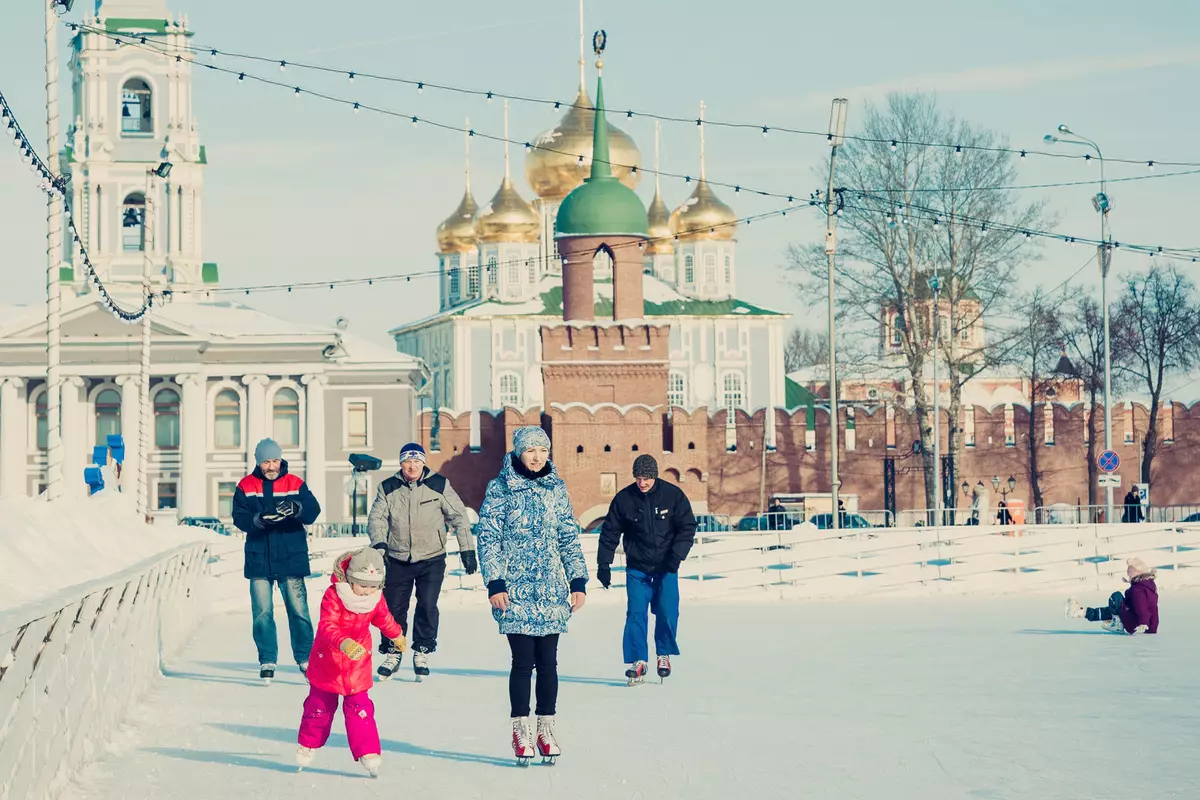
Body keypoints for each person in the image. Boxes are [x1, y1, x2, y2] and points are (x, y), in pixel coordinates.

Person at [476, 426, 588, 765]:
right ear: (518, 453)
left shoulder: (557, 488)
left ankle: (545, 728)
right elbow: (488, 538)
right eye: (531, 450)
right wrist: (495, 583)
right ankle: (520, 729)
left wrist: (578, 580)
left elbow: (568, 535)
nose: (537, 456)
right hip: (515, 590)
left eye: (543, 450)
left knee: (549, 662)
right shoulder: (500, 489)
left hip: (552, 589)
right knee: (523, 662)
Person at [367, 442, 475, 681]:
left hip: (431, 558)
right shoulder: (388, 487)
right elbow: (376, 518)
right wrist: (379, 543)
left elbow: (459, 516)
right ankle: (394, 651)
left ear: (423, 462)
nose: (412, 465)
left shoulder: (439, 484)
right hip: (397, 557)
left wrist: (467, 549)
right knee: (394, 608)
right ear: (401, 463)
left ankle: (422, 649)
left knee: (427, 605)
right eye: (407, 461)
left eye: (416, 460)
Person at [296, 547, 404, 777]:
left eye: (373, 586)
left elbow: (383, 617)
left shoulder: (375, 597)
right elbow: (327, 626)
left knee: (360, 708)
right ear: (351, 579)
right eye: (363, 585)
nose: (367, 591)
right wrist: (343, 643)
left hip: (357, 661)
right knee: (319, 705)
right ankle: (308, 743)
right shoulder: (334, 594)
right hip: (329, 658)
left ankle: (368, 752)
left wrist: (396, 634)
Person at [597, 454, 697, 684]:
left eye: (647, 479)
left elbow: (687, 527)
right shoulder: (624, 499)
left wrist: (676, 557)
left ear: (655, 476)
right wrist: (604, 563)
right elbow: (610, 532)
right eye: (638, 478)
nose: (642, 483)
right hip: (637, 567)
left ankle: (663, 654)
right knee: (636, 614)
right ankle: (638, 661)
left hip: (666, 565)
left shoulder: (673, 496)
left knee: (667, 610)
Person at [232, 438, 322, 683]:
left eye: (274, 460)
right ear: (258, 462)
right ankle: (267, 659)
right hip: (259, 557)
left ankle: (305, 658)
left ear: (281, 460)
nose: (271, 466)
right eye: (266, 462)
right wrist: (258, 520)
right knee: (262, 612)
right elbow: (239, 516)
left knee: (299, 611)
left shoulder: (295, 483)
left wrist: (296, 507)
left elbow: (313, 510)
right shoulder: (246, 485)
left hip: (291, 557)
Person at [1066, 557, 1159, 634]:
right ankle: (1080, 612)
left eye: (1129, 575)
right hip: (1139, 622)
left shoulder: (1137, 590)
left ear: (1135, 575)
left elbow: (1141, 609)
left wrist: (1142, 624)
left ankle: (1117, 625)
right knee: (1111, 611)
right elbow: (1154, 609)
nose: (1128, 577)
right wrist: (1152, 627)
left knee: (1116, 597)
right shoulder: (1149, 587)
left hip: (1135, 624)